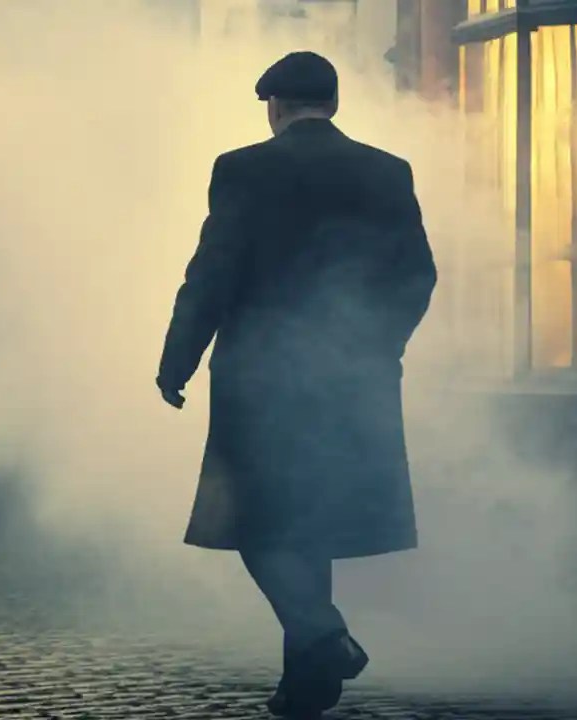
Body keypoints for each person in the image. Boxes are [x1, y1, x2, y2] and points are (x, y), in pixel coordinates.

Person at [157, 51, 437, 718]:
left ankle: (321, 638)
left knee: (259, 522)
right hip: (354, 379)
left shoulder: (243, 169)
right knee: (307, 523)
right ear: (333, 104)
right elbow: (416, 276)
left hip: (261, 378)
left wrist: (177, 363)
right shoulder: (387, 171)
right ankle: (306, 686)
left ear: (275, 107)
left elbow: (212, 276)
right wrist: (378, 348)